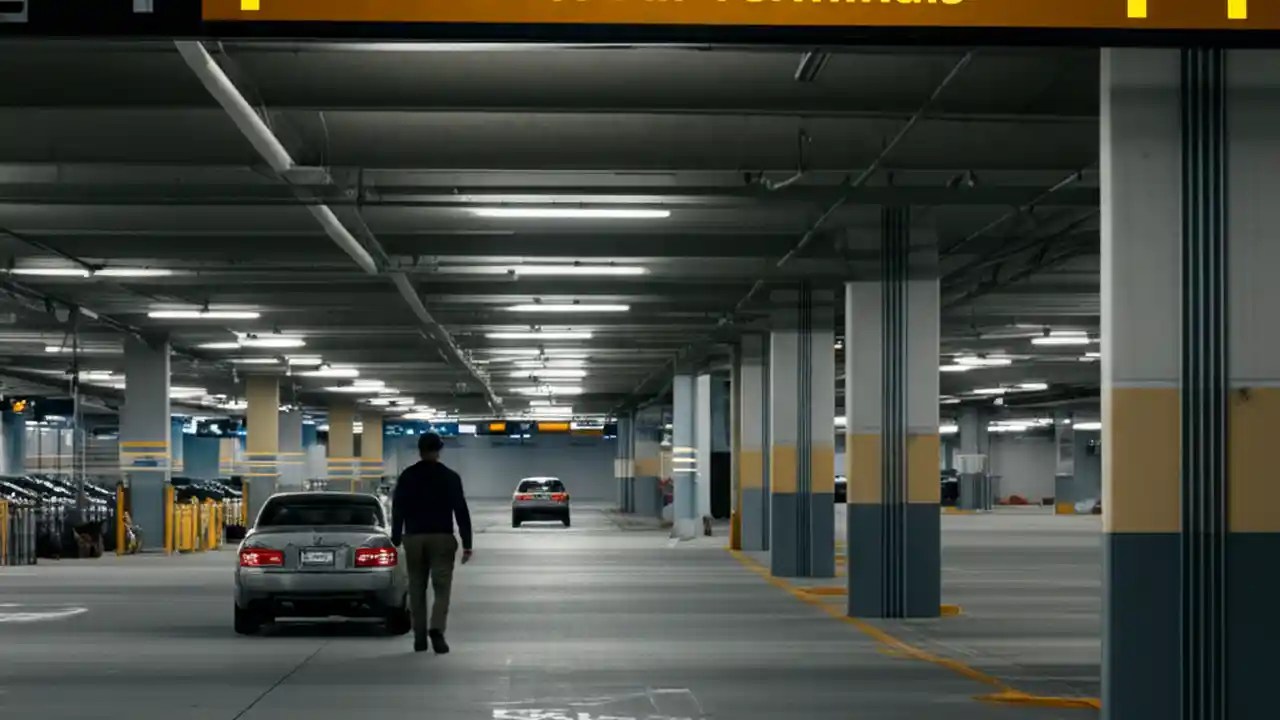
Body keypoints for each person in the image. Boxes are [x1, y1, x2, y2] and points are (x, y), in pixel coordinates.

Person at [390, 432, 473, 653]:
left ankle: (419, 636)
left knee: (416, 587)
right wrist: (467, 543)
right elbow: (460, 510)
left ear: (419, 450)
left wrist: (396, 537)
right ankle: (437, 629)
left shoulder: (407, 476)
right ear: (439, 450)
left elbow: (398, 508)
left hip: (414, 538)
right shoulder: (450, 476)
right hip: (442, 538)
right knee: (441, 587)